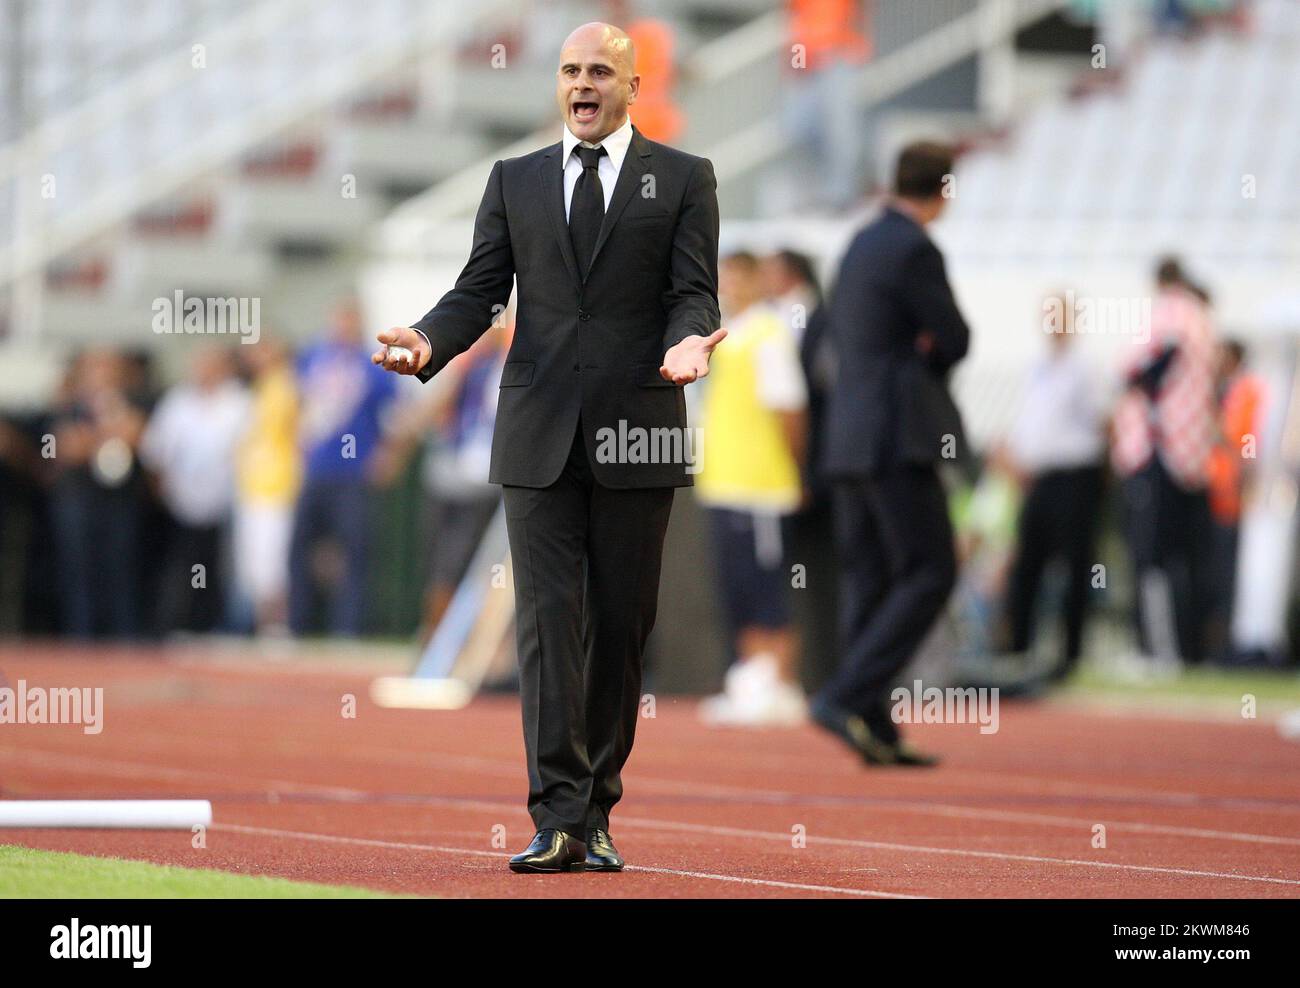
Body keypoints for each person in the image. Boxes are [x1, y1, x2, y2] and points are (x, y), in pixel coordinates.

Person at [372, 22, 723, 873]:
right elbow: (479, 290)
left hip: (639, 430)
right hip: (537, 433)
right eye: (570, 70)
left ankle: (596, 809)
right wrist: (427, 340)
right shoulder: (514, 179)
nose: (583, 84)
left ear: (633, 86)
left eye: (601, 71)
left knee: (618, 625)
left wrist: (689, 342)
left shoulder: (682, 178)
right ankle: (558, 815)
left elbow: (694, 293)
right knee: (543, 625)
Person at [813, 141, 969, 767]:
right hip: (895, 435)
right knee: (932, 568)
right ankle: (849, 694)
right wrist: (922, 359)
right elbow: (955, 338)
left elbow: (827, 339)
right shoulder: (916, 247)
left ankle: (871, 722)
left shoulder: (857, 242)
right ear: (945, 190)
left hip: (847, 435)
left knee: (871, 577)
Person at [696, 251, 808, 726]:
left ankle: (782, 683)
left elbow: (790, 409)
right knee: (738, 586)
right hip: (724, 482)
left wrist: (796, 471)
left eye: (742, 277)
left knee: (768, 587)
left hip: (761, 484)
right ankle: (751, 676)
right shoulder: (724, 336)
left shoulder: (769, 334)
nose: (733, 286)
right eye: (727, 277)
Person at [1111, 257, 1217, 673]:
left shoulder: (1173, 313)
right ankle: (1191, 649)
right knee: (1187, 556)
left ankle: (1157, 649)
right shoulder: (1205, 321)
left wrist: (1136, 382)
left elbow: (1142, 366)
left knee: (1149, 553)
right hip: (1192, 454)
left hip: (1160, 450)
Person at [998, 300, 1108, 683]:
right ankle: (1019, 649)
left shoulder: (1085, 368)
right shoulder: (1037, 368)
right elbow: (1031, 423)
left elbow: (1101, 423)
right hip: (1039, 478)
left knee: (1077, 566)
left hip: (1075, 475)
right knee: (1028, 563)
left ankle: (1071, 654)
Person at [289, 298, 399, 638]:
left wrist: (388, 455)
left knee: (353, 553)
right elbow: (297, 404)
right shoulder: (312, 358)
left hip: (352, 473)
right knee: (300, 548)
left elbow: (396, 417)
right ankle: (298, 626)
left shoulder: (374, 364)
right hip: (316, 468)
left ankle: (347, 629)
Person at [140, 346, 250, 634]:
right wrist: (163, 492)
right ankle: (184, 623)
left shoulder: (239, 402)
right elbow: (155, 451)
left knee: (224, 568)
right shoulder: (177, 402)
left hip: (228, 504)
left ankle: (221, 625)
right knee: (187, 568)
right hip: (182, 504)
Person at [233, 338, 301, 637]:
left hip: (276, 483)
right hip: (254, 485)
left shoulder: (285, 386)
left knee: (271, 561)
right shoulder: (259, 389)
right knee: (256, 564)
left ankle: (276, 625)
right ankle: (263, 625)